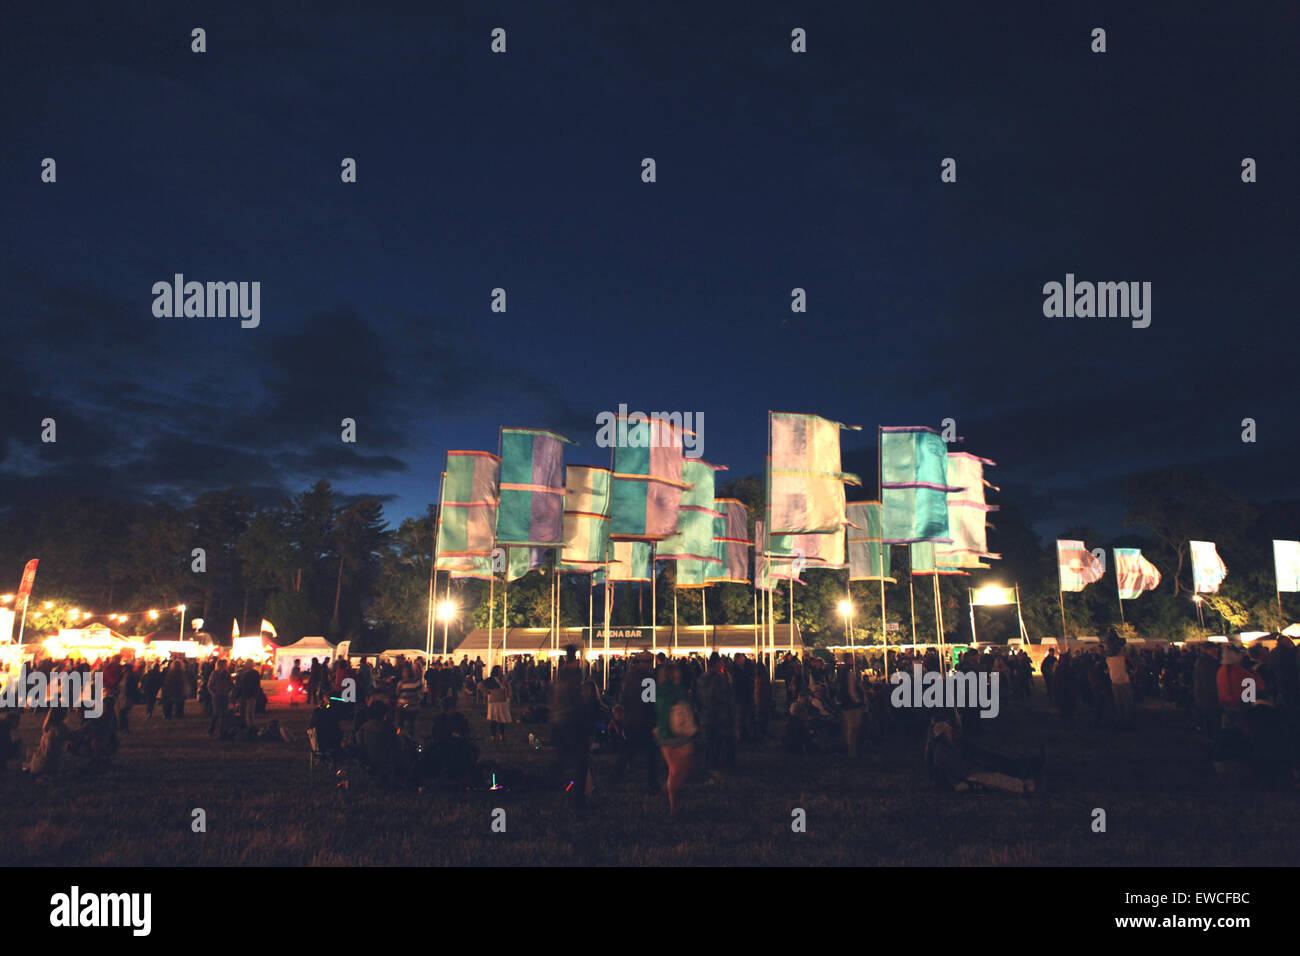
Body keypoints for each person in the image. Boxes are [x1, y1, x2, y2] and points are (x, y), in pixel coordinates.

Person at [925, 719, 1042, 795]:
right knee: (994, 777)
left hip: (965, 773)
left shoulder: (946, 748)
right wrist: (1020, 786)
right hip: (962, 779)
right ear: (944, 736)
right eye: (949, 732)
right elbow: (966, 772)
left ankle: (1024, 772)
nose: (952, 734)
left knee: (993, 768)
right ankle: (1023, 785)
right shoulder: (943, 752)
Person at [550, 645, 589, 814]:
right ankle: (578, 800)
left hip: (560, 722)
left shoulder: (560, 676)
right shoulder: (573, 679)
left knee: (564, 760)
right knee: (580, 762)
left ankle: (556, 790)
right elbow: (576, 703)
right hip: (572, 723)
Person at [654, 662, 696, 815]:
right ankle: (672, 799)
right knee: (682, 769)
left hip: (665, 735)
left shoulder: (656, 691)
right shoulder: (680, 690)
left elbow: (653, 709)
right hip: (680, 735)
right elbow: (688, 709)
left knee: (674, 770)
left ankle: (672, 798)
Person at [483, 665, 511, 743]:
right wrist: (487, 692)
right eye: (499, 670)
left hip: (503, 701)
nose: (501, 672)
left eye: (501, 670)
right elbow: (480, 685)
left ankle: (501, 735)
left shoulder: (503, 679)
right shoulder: (490, 680)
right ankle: (493, 735)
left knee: (502, 719)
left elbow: (507, 688)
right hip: (494, 701)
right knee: (494, 719)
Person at [207, 659, 234, 737]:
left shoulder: (226, 674)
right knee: (216, 713)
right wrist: (213, 693)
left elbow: (231, 684)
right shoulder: (214, 674)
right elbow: (209, 685)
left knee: (224, 714)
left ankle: (222, 731)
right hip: (217, 696)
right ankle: (211, 730)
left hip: (225, 695)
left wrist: (229, 691)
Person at [395, 664, 423, 737]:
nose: (404, 673)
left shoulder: (413, 682)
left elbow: (420, 694)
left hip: (408, 706)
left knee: (408, 724)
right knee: (404, 723)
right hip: (406, 706)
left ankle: (406, 737)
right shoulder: (402, 683)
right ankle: (400, 735)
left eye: (405, 672)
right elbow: (398, 694)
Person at [235, 660, 261, 730]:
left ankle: (250, 727)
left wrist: (254, 695)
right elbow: (240, 685)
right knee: (244, 712)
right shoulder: (244, 673)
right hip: (244, 695)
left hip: (250, 696)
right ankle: (247, 726)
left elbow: (256, 686)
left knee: (249, 713)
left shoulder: (253, 673)